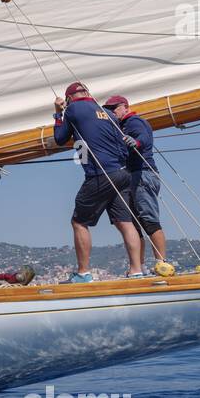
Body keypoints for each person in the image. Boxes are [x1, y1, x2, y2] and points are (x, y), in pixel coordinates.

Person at [52, 82, 144, 281]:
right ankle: (137, 271)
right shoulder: (107, 114)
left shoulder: (73, 109)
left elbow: (60, 138)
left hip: (101, 174)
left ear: (68, 98)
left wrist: (58, 114)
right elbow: (121, 147)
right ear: (87, 93)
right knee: (125, 222)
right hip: (122, 173)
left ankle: (83, 273)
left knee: (78, 222)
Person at [104, 95, 167, 264]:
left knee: (148, 220)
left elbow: (143, 137)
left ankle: (162, 264)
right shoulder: (120, 126)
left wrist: (136, 142)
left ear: (125, 106)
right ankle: (138, 267)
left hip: (142, 174)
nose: (111, 112)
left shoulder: (133, 122)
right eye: (108, 109)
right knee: (135, 224)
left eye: (114, 108)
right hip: (133, 176)